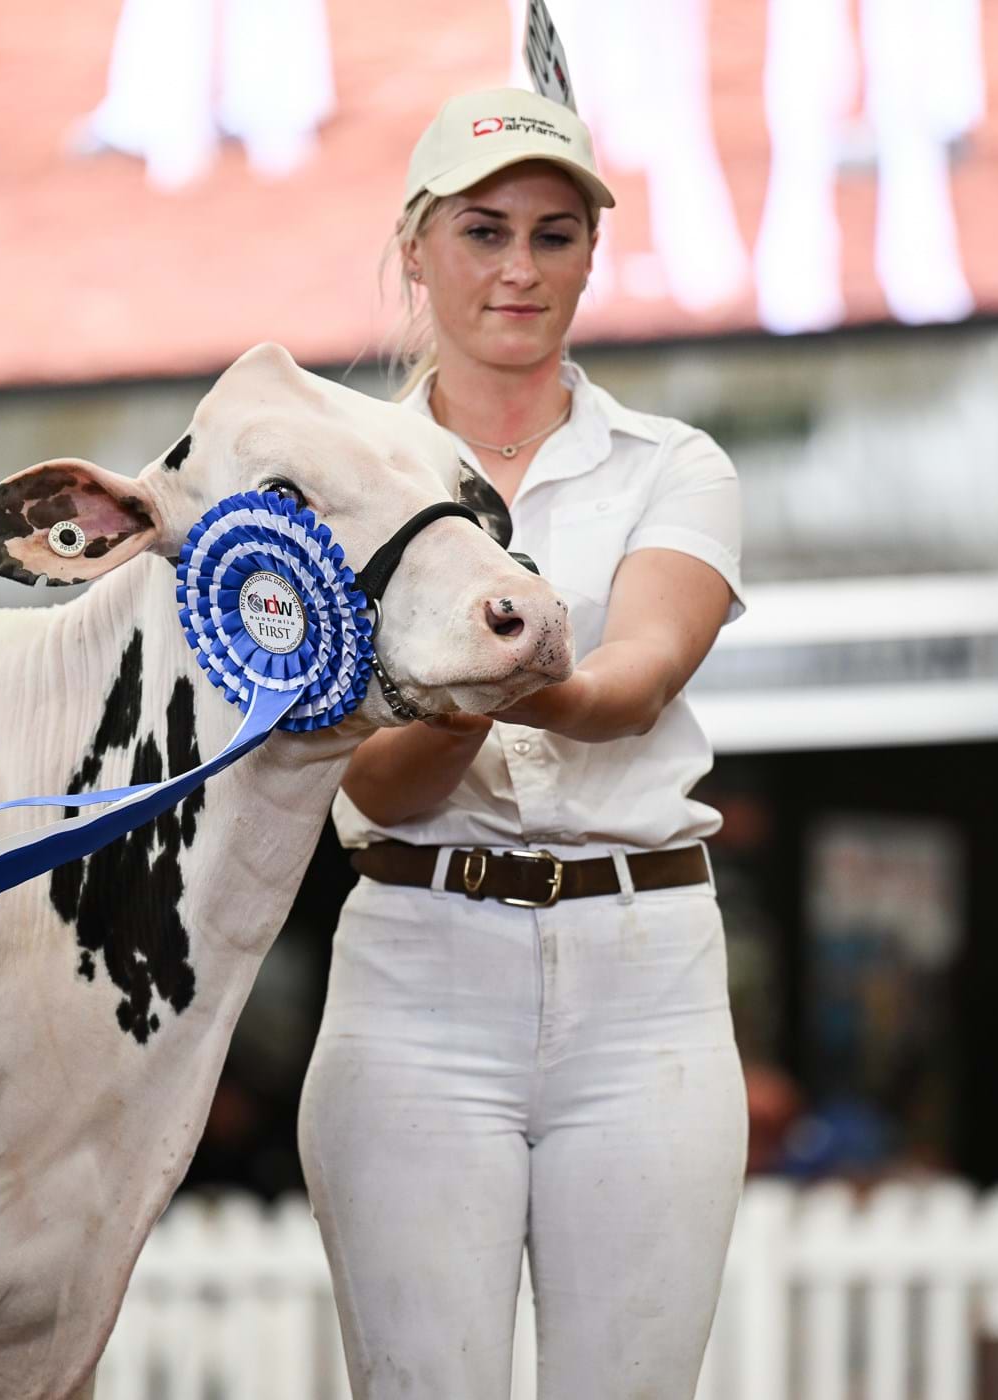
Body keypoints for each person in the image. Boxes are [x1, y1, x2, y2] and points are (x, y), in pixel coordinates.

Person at [296, 85, 748, 1398]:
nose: (519, 267)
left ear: (591, 258)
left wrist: (474, 668)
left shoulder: (676, 464)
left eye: (556, 235)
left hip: (645, 968)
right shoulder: (337, 482)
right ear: (417, 246)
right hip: (418, 964)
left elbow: (632, 687)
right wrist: (502, 661)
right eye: (485, 231)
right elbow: (371, 775)